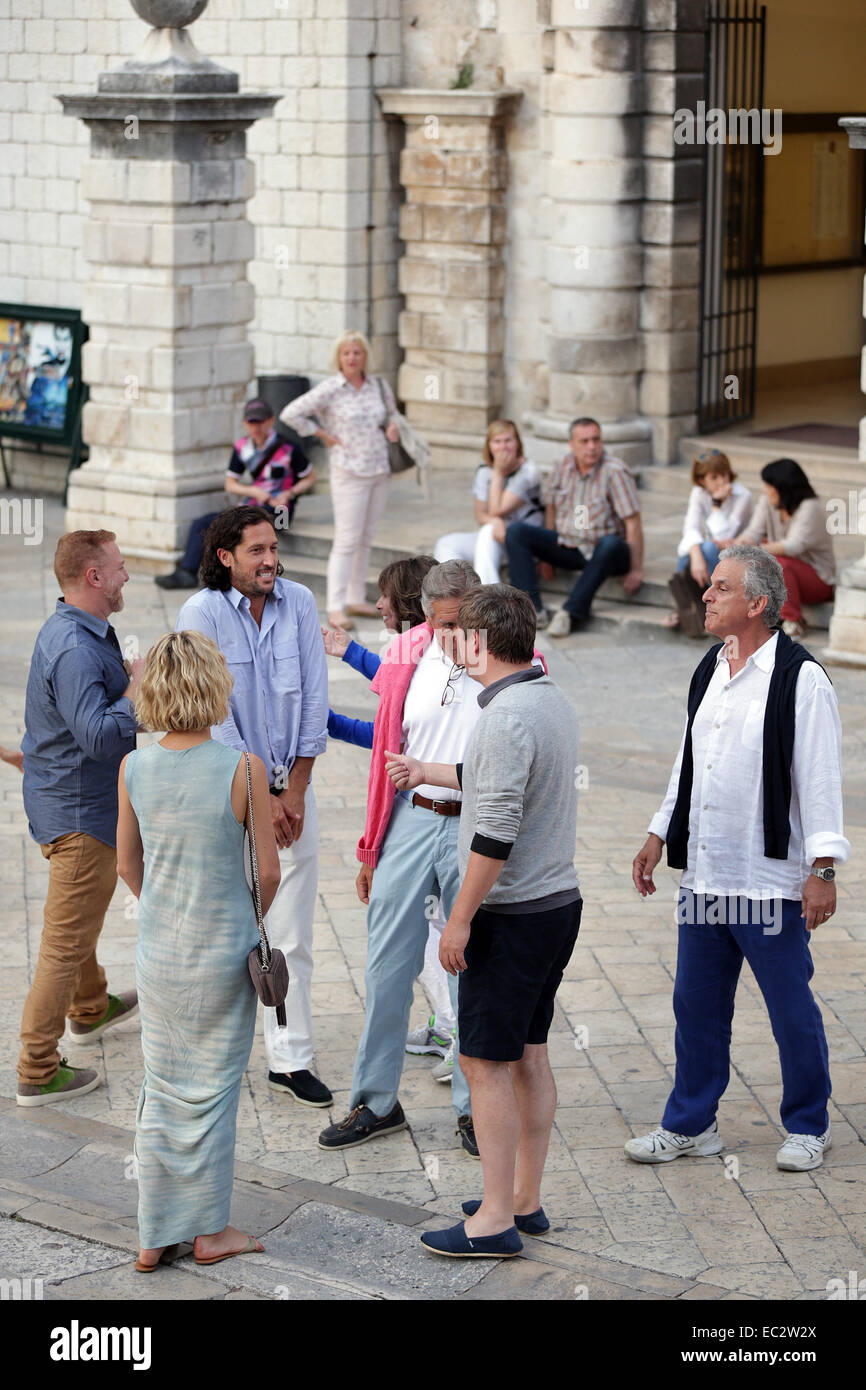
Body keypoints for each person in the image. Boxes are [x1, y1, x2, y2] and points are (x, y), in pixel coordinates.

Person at [629, 546, 849, 1173]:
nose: (705, 595)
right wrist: (657, 832)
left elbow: (821, 779)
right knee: (695, 1006)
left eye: (720, 588)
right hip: (707, 873)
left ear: (757, 604)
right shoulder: (710, 668)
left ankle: (809, 1124)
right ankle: (691, 1123)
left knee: (789, 1009)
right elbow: (688, 760)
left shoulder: (801, 679)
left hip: (770, 880)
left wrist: (823, 870)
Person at [384, 584, 581, 1259]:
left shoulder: (500, 716)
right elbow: (490, 775)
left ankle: (494, 1219)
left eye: (458, 635)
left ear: (478, 642)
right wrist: (425, 771)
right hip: (558, 905)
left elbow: (494, 831)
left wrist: (459, 919)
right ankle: (524, 1197)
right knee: (529, 1054)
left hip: (512, 914)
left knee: (481, 1062)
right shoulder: (545, 698)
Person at [118, 631, 280, 1272]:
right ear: (214, 687)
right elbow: (267, 873)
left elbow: (129, 864)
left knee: (160, 1089)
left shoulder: (134, 766)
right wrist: (245, 914)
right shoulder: (243, 770)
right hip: (222, 951)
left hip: (159, 953)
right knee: (211, 1093)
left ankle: (154, 1234)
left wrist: (163, 903)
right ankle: (210, 1231)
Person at [318, 560, 484, 1158]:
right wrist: (371, 845)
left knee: (472, 966)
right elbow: (387, 747)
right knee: (387, 963)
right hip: (412, 816)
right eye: (442, 624)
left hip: (473, 823)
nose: (452, 635)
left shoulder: (510, 653)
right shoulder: (409, 651)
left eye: (462, 623)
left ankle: (476, 1107)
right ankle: (376, 1101)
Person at [175, 507, 331, 1107]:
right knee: (224, 925)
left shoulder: (301, 602)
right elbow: (212, 713)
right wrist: (264, 796)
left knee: (293, 933)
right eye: (256, 551)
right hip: (230, 797)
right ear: (225, 557)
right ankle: (210, 1048)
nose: (270, 560)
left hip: (295, 793)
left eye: (273, 547)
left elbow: (314, 702)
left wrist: (293, 792)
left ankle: (290, 1058)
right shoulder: (201, 613)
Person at [17, 531, 140, 1108]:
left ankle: (90, 1008)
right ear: (92, 577)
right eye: (118, 568)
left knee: (77, 915)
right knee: (63, 943)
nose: (125, 576)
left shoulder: (75, 628)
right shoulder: (76, 647)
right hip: (82, 815)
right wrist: (136, 694)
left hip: (61, 801)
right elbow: (96, 736)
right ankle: (37, 1068)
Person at [280, 330, 401, 631]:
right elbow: (291, 413)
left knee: (366, 536)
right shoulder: (331, 389)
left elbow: (392, 414)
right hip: (348, 470)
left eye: (357, 352)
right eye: (346, 353)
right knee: (347, 538)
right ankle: (335, 606)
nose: (352, 358)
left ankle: (356, 596)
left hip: (378, 467)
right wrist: (321, 434)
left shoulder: (377, 384)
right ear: (339, 357)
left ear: (365, 356)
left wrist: (392, 428)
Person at [155, 399, 315, 590]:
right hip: (253, 504)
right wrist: (254, 491)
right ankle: (187, 572)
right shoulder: (242, 448)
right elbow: (230, 484)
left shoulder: (289, 447)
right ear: (245, 423)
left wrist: (289, 493)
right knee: (203, 523)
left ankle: (223, 579)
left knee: (238, 530)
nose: (256, 427)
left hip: (282, 509)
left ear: (271, 421)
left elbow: (310, 478)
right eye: (251, 422)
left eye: (261, 421)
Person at [505, 416, 644, 636]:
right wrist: (545, 558)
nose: (592, 447)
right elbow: (550, 506)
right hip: (569, 545)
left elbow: (633, 521)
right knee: (516, 532)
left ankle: (570, 613)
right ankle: (532, 610)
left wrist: (636, 569)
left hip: (606, 552)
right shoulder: (562, 465)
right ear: (572, 444)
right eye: (585, 441)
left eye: (596, 440)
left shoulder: (615, 471)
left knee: (610, 544)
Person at [734, 458, 835, 639]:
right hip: (785, 576)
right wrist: (741, 543)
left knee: (777, 561)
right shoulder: (767, 502)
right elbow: (753, 531)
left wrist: (755, 550)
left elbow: (793, 546)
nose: (765, 490)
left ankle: (793, 621)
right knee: (746, 560)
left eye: (768, 485)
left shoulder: (810, 508)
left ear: (782, 487)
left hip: (819, 580)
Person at [434, 420, 544, 584]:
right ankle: (456, 597)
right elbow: (480, 514)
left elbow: (496, 510)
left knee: (487, 531)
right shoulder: (484, 470)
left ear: (518, 443)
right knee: (446, 544)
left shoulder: (529, 471)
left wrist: (498, 473)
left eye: (508, 440)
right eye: (497, 442)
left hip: (523, 541)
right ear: (489, 446)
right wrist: (494, 522)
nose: (503, 447)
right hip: (496, 537)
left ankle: (486, 596)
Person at [664, 448, 753, 637]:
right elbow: (690, 528)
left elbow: (723, 534)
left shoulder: (742, 495)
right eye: (714, 477)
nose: (722, 481)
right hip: (710, 556)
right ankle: (687, 607)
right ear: (702, 480)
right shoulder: (698, 493)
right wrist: (696, 554)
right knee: (692, 551)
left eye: (724, 475)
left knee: (707, 548)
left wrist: (716, 505)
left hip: (735, 555)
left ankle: (694, 608)